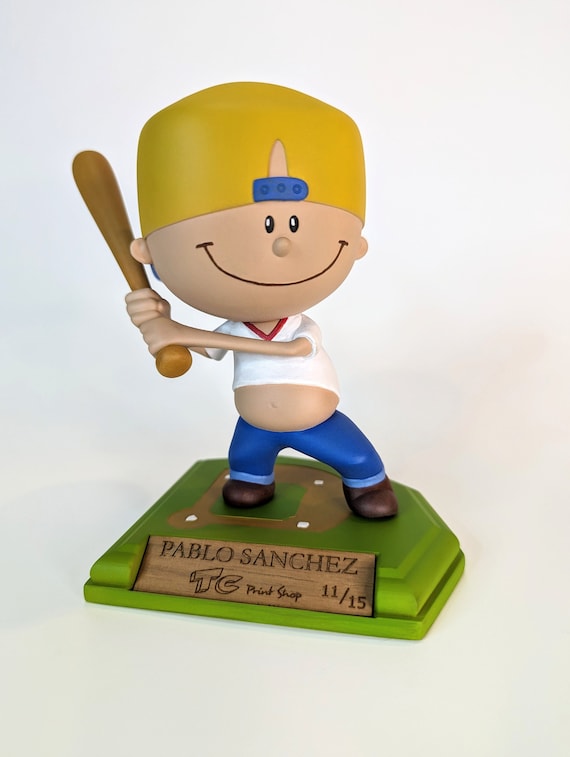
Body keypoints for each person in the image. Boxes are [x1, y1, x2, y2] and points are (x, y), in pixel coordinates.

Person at [126, 82, 398, 519]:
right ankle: (254, 477)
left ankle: (367, 480)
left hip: (314, 423)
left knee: (355, 457)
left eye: (293, 224)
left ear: (357, 245)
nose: (281, 245)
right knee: (245, 466)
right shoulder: (236, 328)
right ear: (149, 254)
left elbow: (288, 352)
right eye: (267, 226)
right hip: (254, 425)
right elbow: (205, 351)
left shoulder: (300, 329)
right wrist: (159, 324)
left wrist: (178, 331)